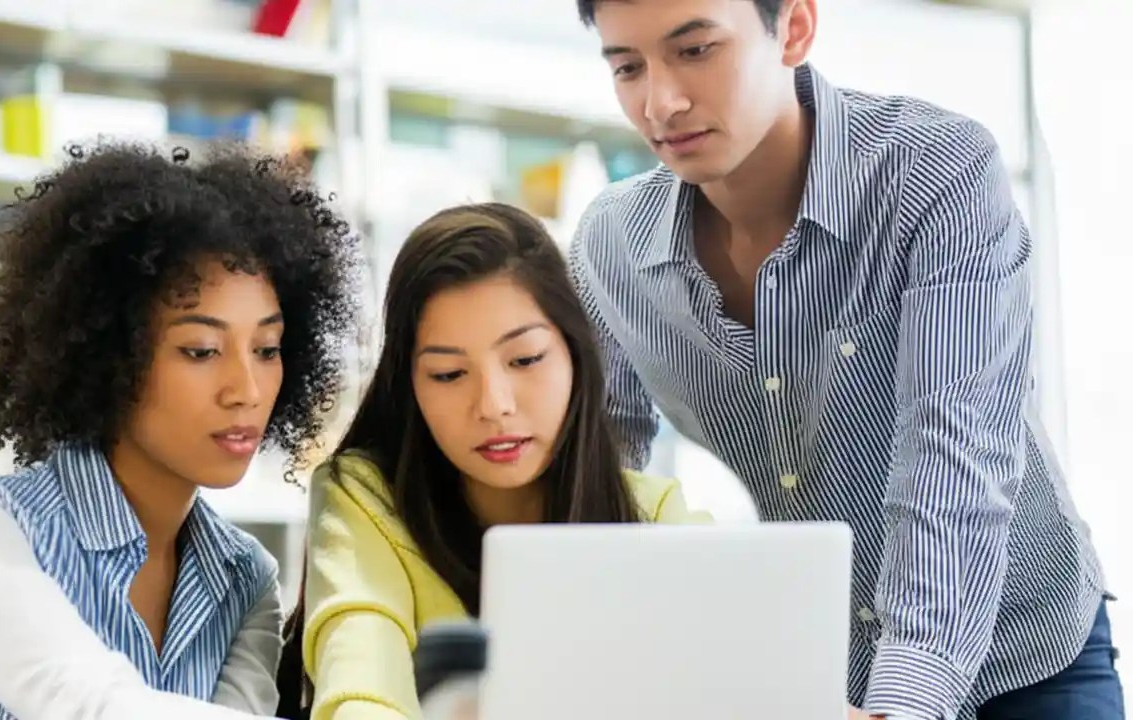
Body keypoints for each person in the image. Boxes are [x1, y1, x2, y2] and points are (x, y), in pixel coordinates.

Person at [568, 1, 1120, 719]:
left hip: (1026, 658)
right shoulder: (610, 249)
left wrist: (904, 703)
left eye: (697, 50)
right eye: (628, 68)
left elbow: (954, 456)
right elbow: (599, 476)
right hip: (823, 677)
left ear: (793, 28)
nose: (660, 102)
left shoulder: (938, 175)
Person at [0, 141, 359, 719]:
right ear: (110, 354)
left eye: (266, 348)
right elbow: (98, 707)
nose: (248, 389)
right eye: (201, 349)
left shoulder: (244, 580)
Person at [276, 203, 710, 720]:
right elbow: (362, 686)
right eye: (448, 374)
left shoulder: (654, 515)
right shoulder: (366, 498)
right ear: (410, 386)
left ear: (576, 353)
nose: (494, 405)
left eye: (525, 360)